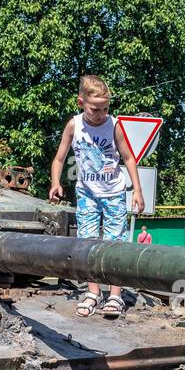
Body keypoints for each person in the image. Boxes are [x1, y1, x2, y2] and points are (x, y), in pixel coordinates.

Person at [49, 75, 144, 318]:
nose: (100, 113)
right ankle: (93, 292)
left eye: (105, 108)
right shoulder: (74, 125)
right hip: (87, 193)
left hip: (113, 193)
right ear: (81, 102)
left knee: (115, 243)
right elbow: (59, 158)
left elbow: (128, 158)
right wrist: (56, 183)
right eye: (95, 109)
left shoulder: (114, 125)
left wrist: (138, 191)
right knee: (88, 242)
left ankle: (115, 295)